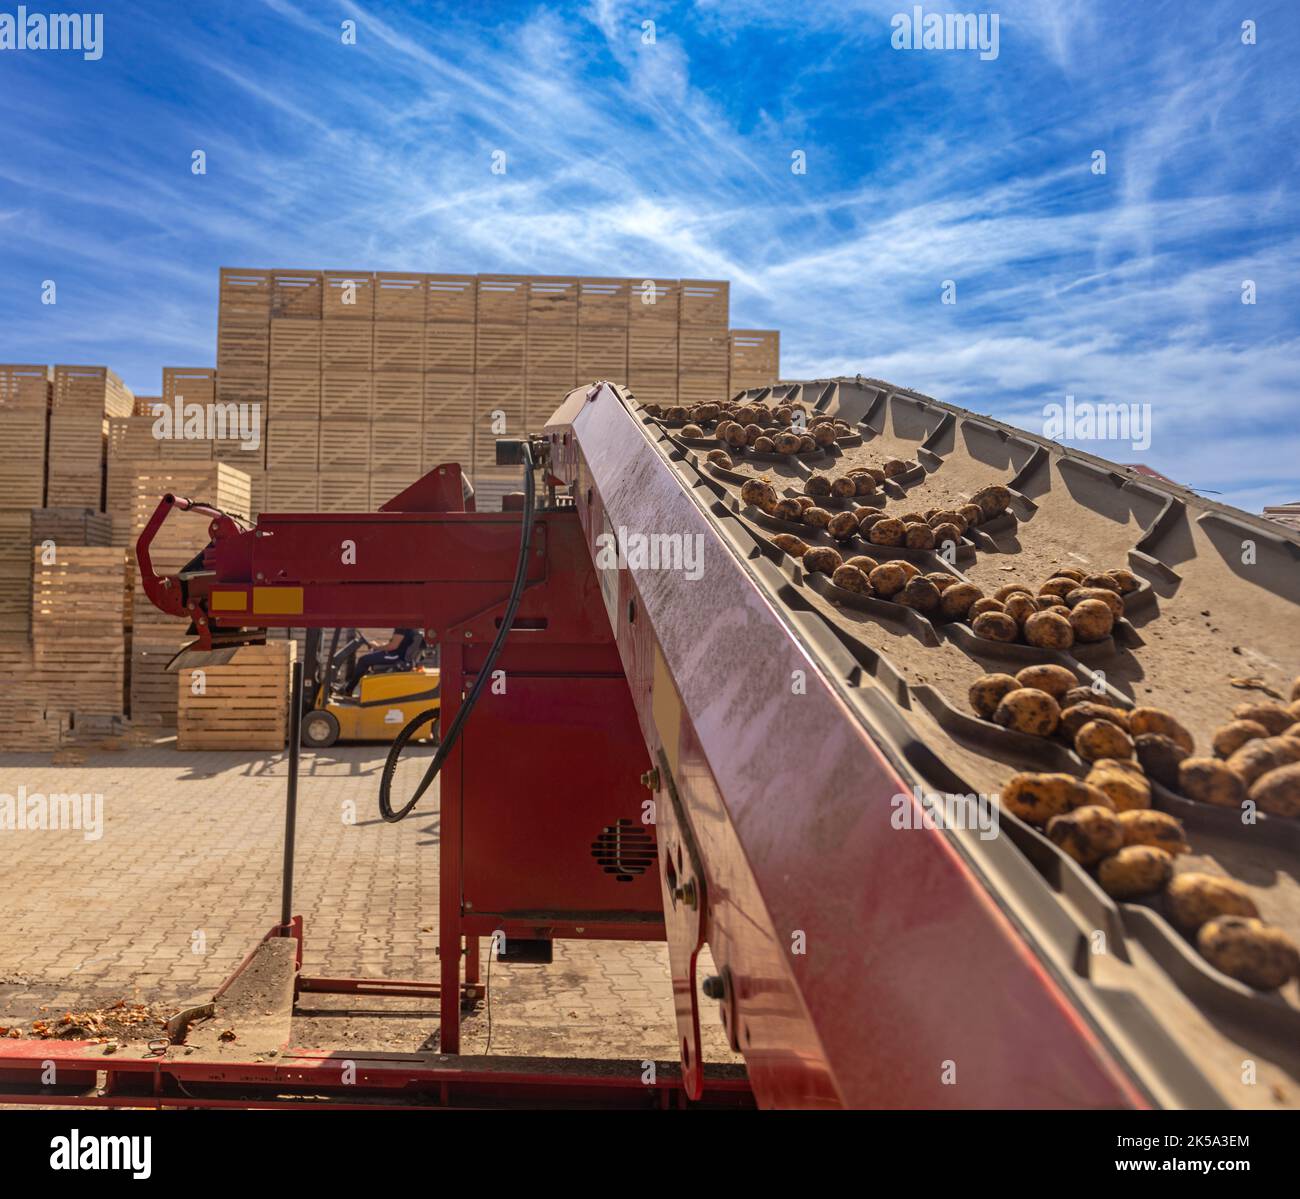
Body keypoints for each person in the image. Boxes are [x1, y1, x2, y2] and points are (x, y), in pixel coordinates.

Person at [341, 629, 419, 692]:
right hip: (396, 654)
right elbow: (394, 643)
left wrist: (377, 647)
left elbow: (393, 646)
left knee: (363, 660)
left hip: (396, 656)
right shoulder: (406, 625)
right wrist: (377, 646)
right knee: (372, 655)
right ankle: (354, 686)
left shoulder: (401, 627)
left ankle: (348, 689)